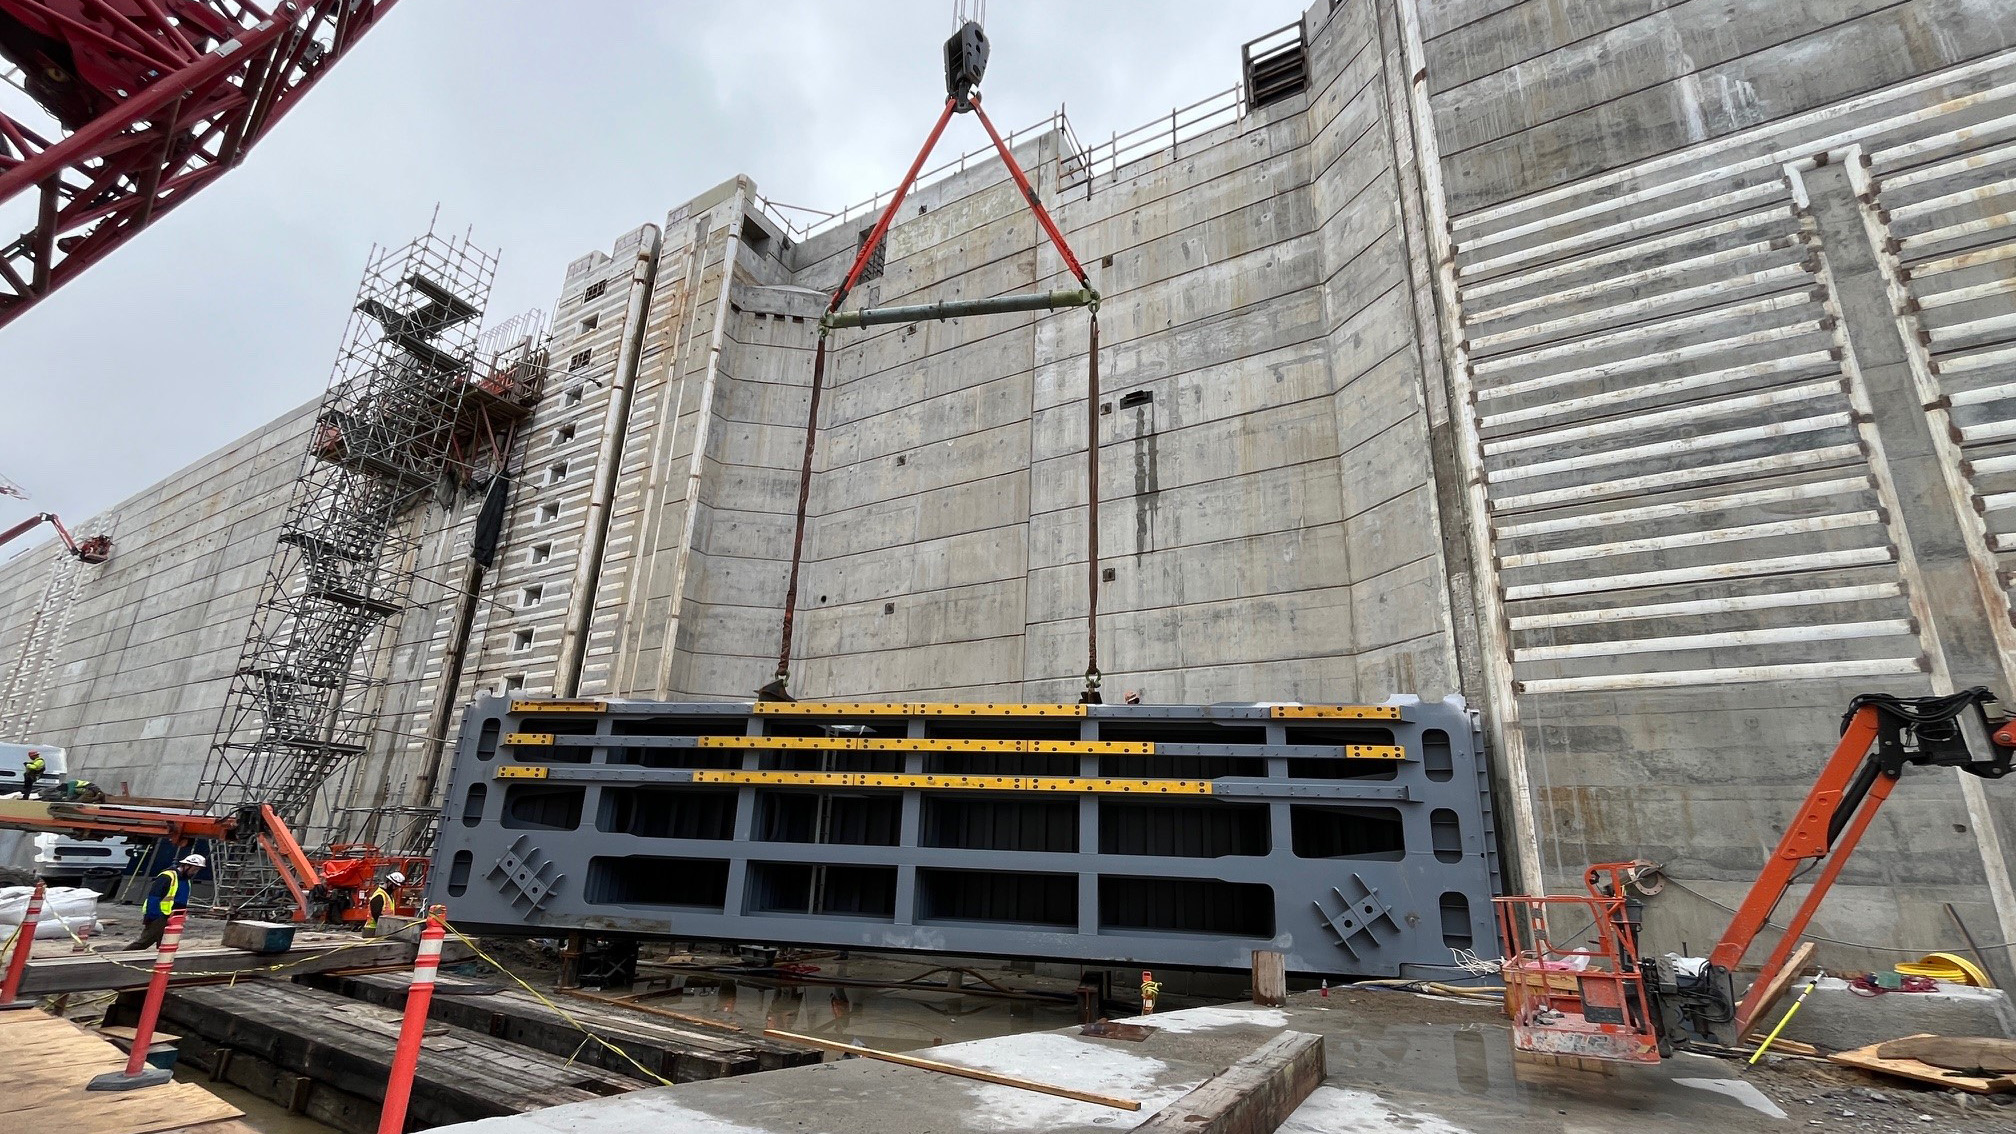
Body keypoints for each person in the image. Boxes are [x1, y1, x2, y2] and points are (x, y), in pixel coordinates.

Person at [124, 853, 204, 951]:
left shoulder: (185, 880)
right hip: (160, 915)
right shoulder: (167, 876)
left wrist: (181, 915)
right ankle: (121, 957)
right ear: (187, 866)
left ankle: (161, 961)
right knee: (146, 941)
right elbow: (154, 897)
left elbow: (181, 899)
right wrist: (153, 916)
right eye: (194, 869)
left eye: (197, 870)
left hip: (174, 916)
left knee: (166, 943)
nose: (195, 872)